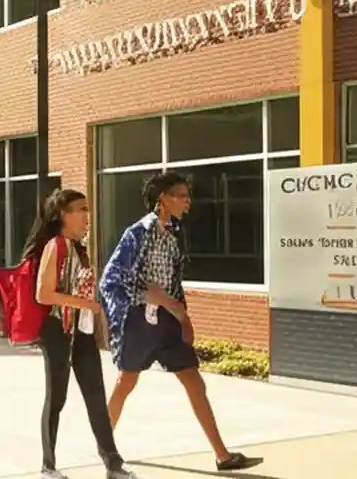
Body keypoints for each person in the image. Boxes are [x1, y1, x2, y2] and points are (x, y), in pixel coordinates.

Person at [99, 171, 255, 472]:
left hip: (169, 323)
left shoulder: (174, 233)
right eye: (181, 195)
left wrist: (183, 316)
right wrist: (149, 296)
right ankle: (107, 450)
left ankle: (223, 456)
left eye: (187, 195)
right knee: (125, 383)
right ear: (164, 199)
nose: (188, 201)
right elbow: (111, 280)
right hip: (140, 323)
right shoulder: (138, 233)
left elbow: (172, 285)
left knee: (194, 381)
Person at [25, 189, 136, 479]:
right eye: (81, 209)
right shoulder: (55, 246)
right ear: (64, 214)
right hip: (57, 332)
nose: (88, 215)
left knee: (96, 397)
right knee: (56, 399)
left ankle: (113, 464)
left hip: (82, 331)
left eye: (88, 209)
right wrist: (85, 303)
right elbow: (43, 294)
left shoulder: (79, 247)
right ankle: (47, 466)